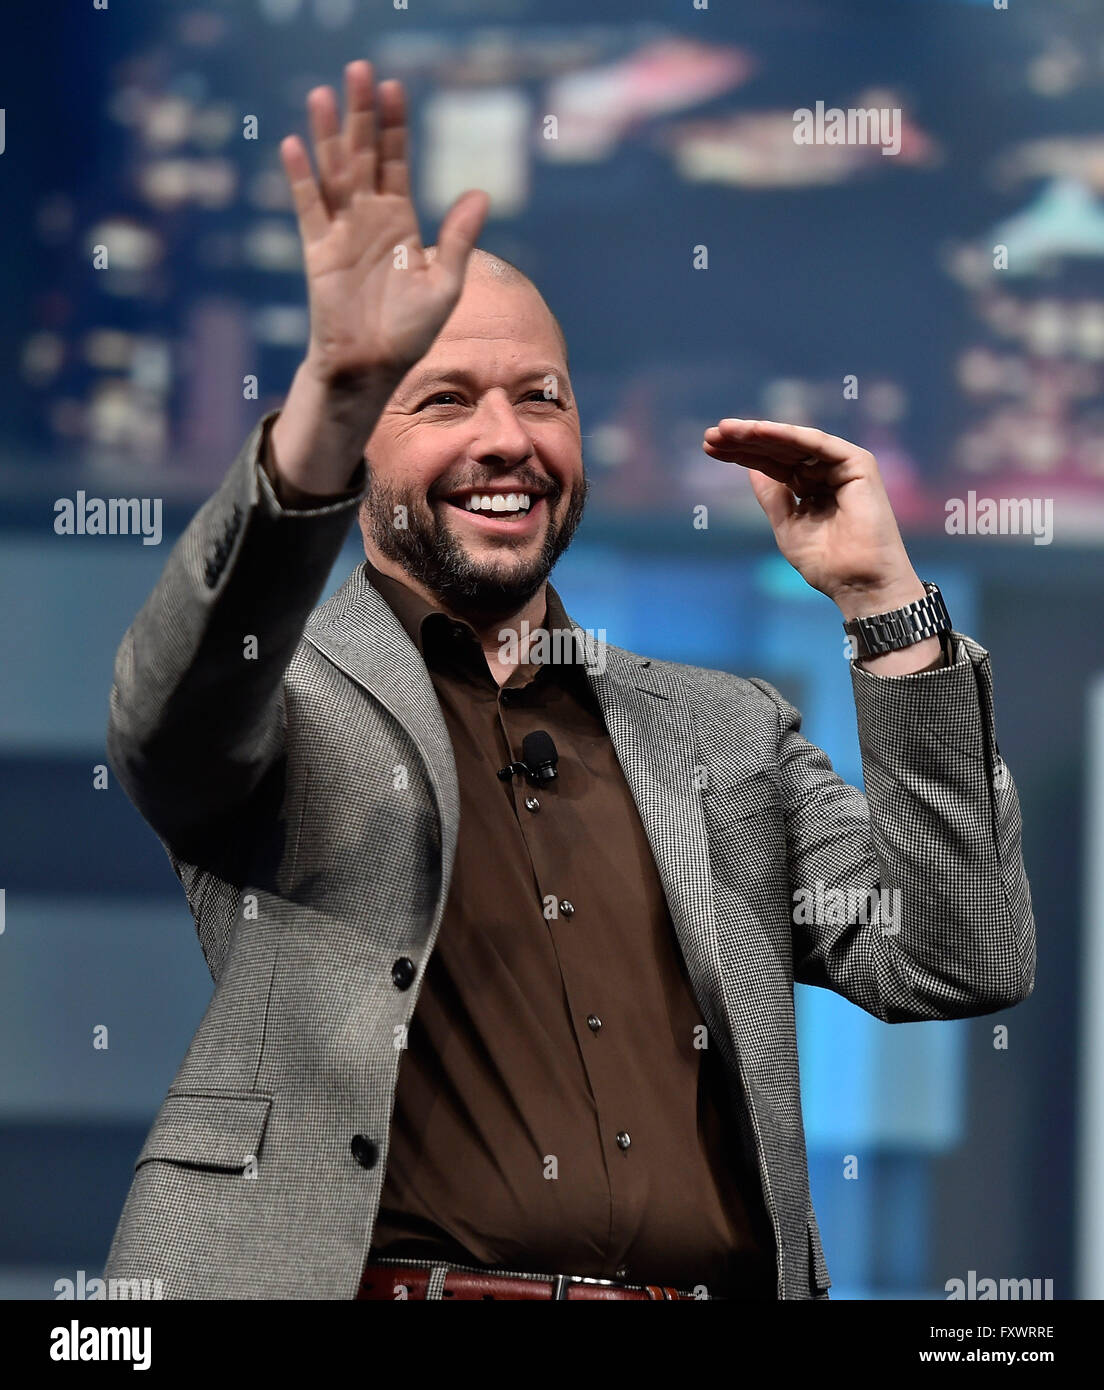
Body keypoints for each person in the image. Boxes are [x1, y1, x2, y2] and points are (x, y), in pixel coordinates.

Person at [101, 61, 1035, 1301]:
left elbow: (957, 952)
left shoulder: (727, 731)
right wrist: (324, 402)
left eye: (540, 398)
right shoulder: (284, 704)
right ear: (362, 442)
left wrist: (884, 603)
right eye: (442, 399)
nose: (506, 439)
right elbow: (169, 710)